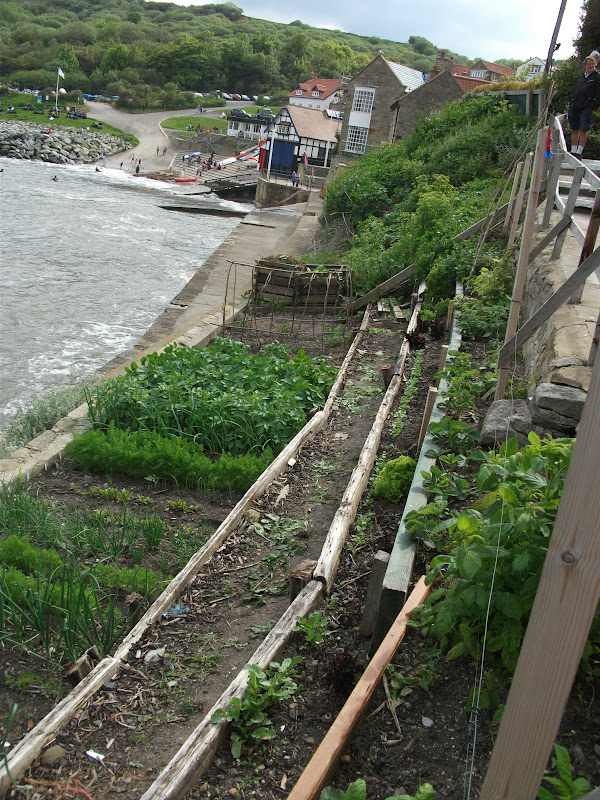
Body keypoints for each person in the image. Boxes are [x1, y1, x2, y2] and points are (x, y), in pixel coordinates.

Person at [569, 51, 600, 158]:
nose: (590, 66)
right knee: (574, 128)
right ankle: (573, 151)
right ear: (585, 65)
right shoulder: (581, 77)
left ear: (595, 64)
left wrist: (593, 105)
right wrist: (572, 102)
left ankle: (579, 152)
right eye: (589, 64)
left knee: (583, 129)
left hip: (587, 107)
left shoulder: (597, 77)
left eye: (592, 64)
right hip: (576, 105)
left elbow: (598, 92)